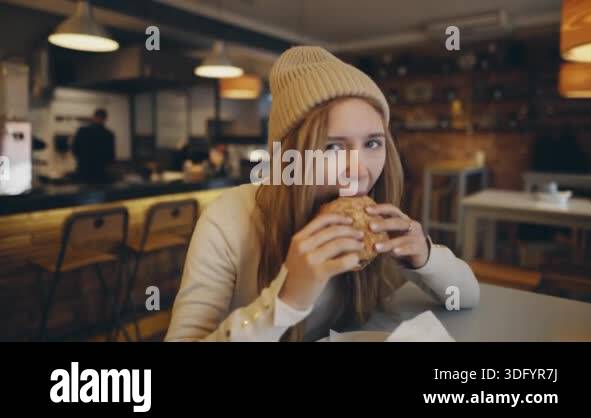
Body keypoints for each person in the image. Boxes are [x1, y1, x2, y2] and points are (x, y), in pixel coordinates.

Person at [165, 46, 479, 342]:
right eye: (332, 147)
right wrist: (285, 300)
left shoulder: (377, 227)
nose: (358, 170)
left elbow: (468, 297)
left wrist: (425, 257)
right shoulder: (227, 220)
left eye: (372, 143)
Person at [72, 108, 115, 183]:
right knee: (100, 192)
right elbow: (111, 155)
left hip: (84, 169)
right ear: (105, 119)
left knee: (82, 192)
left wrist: (81, 159)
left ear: (93, 117)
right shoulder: (108, 134)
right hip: (100, 170)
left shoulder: (82, 131)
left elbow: (74, 149)